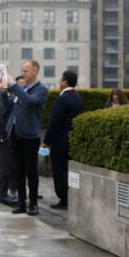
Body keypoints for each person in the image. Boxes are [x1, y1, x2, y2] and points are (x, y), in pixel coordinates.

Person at [0, 59, 47, 216]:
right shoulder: (23, 89)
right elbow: (10, 108)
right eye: (23, 70)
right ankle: (21, 202)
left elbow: (31, 101)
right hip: (16, 134)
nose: (23, 73)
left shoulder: (40, 90)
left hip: (30, 136)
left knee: (31, 170)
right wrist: (4, 91)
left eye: (26, 70)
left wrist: (14, 86)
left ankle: (33, 203)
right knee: (18, 169)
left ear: (35, 71)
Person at [44, 70, 83, 210]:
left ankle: (63, 197)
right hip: (71, 139)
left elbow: (54, 122)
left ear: (65, 81)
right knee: (68, 169)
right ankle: (70, 196)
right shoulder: (78, 97)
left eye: (61, 79)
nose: (60, 82)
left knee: (59, 169)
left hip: (59, 141)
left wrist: (46, 141)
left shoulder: (62, 98)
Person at [0, 69, 18, 206]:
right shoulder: (2, 96)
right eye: (10, 81)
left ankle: (1, 194)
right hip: (4, 137)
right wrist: (3, 135)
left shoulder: (5, 95)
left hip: (3, 136)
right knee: (5, 165)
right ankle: (1, 194)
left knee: (4, 164)